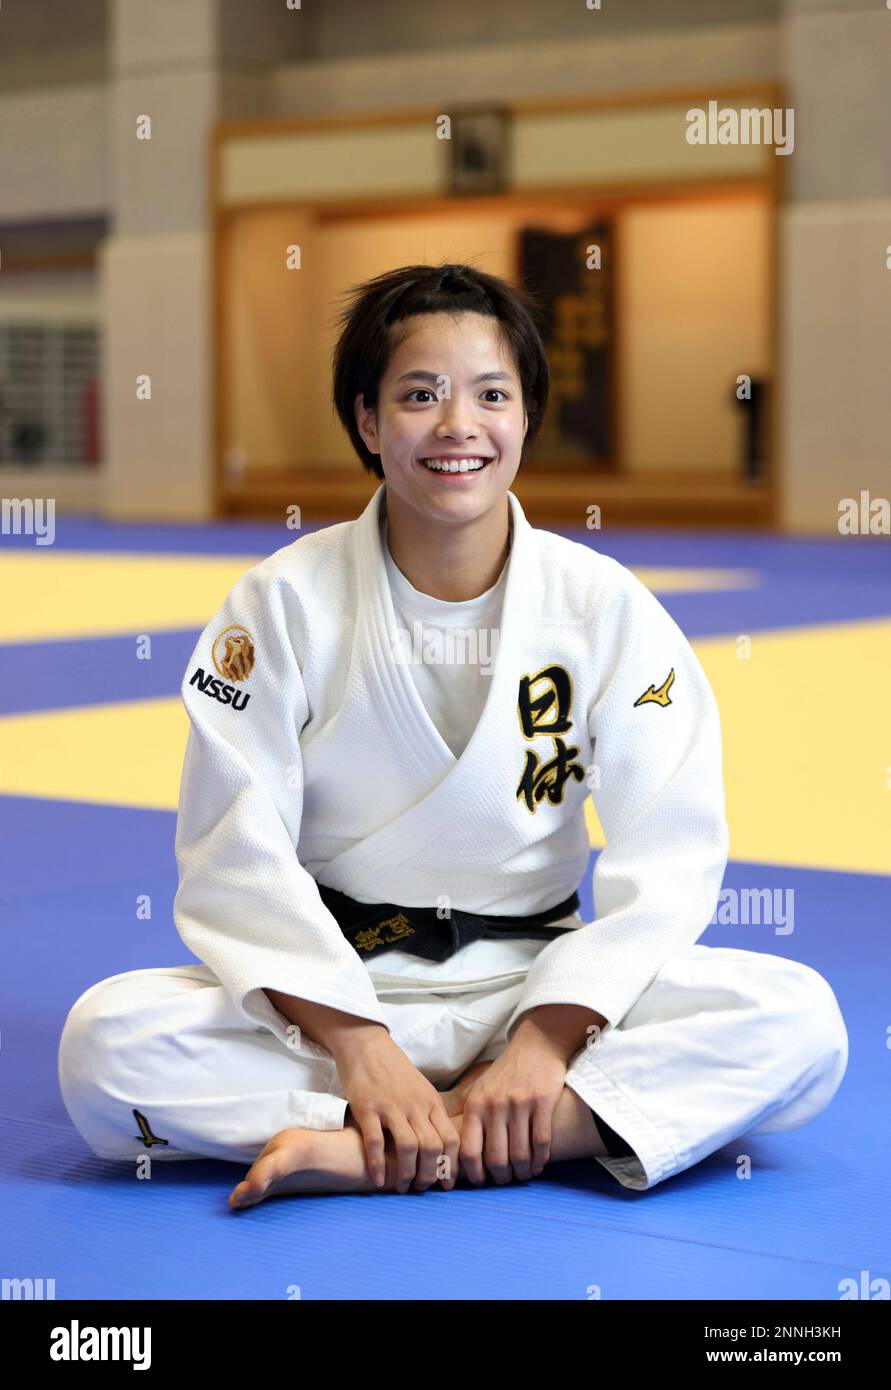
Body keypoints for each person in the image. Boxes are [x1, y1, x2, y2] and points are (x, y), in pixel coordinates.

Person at [58, 263, 848, 1208]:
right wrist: (358, 1046)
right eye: (419, 395)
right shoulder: (282, 602)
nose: (457, 425)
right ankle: (521, 1131)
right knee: (102, 1048)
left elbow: (671, 852)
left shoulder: (602, 607)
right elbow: (233, 851)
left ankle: (377, 1149)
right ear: (365, 420)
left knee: (797, 1018)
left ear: (526, 418)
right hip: (337, 985)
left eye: (490, 395)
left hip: (539, 984)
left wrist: (548, 1039)